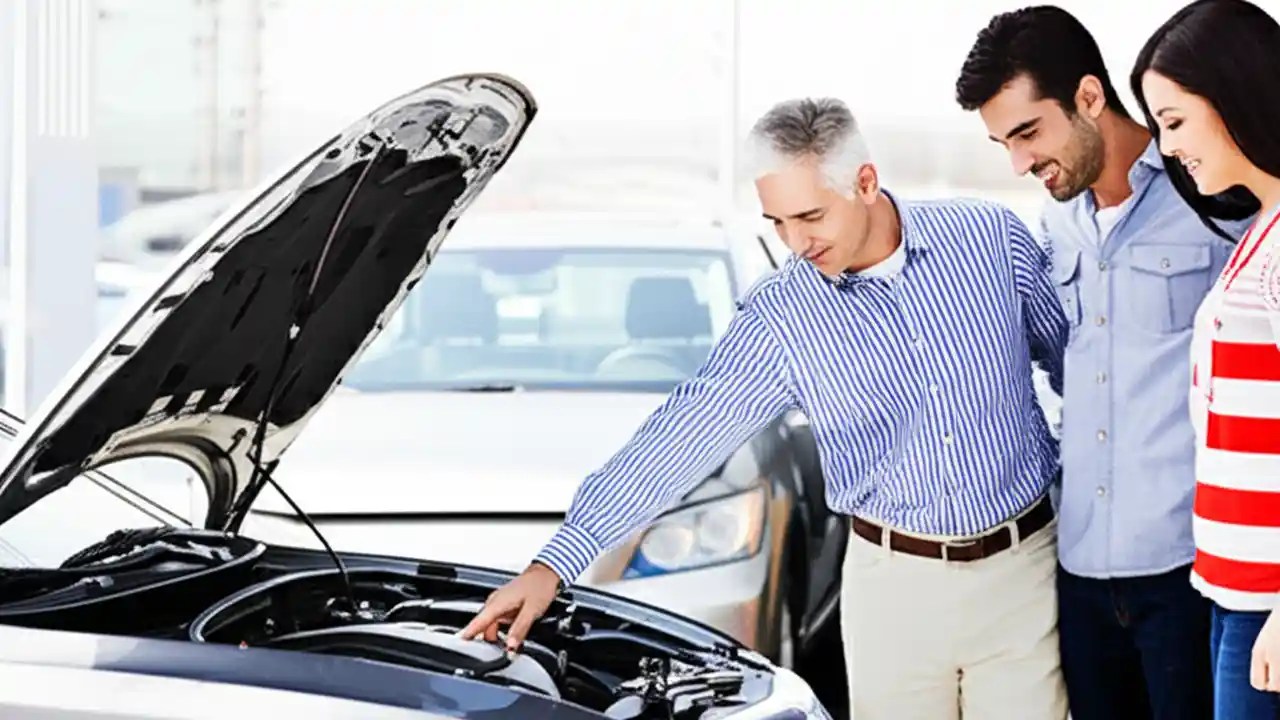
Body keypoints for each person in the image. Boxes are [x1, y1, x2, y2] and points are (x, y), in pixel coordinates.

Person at [459, 96, 1070, 718]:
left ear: (865, 182)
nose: (795, 242)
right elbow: (679, 437)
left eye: (809, 216)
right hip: (894, 590)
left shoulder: (991, 243)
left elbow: (1080, 371)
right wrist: (556, 562)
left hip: (1022, 573)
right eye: (777, 221)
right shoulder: (785, 315)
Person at [953, 7, 1255, 719]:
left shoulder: (1215, 201)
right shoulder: (1054, 226)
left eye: (1028, 133)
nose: (1020, 162)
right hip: (1080, 576)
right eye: (1003, 143)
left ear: (1089, 97)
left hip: (1188, 572)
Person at [1131, 1, 1280, 716]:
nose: (1166, 148)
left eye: (1175, 120)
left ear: (1233, 91)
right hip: (1234, 589)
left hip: (1269, 606)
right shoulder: (1260, 227)